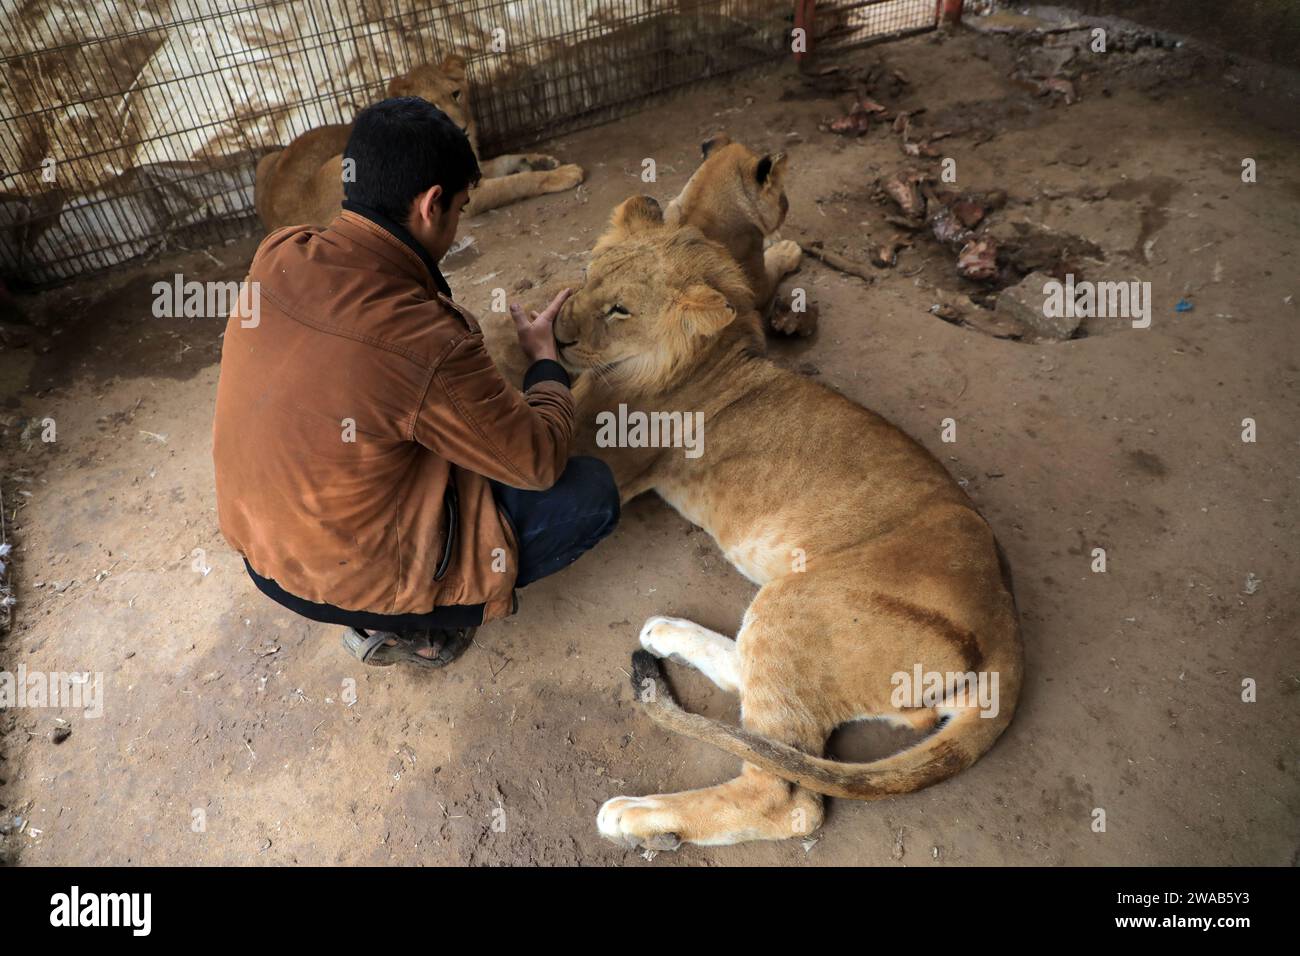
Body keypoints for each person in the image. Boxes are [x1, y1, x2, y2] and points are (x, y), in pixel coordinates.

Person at [212, 97, 619, 668]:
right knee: (590, 494)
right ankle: (415, 624)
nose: (456, 226)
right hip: (343, 576)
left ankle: (377, 602)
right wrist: (545, 363)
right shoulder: (428, 343)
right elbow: (538, 460)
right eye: (459, 209)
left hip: (264, 555)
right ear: (432, 205)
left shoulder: (281, 250)